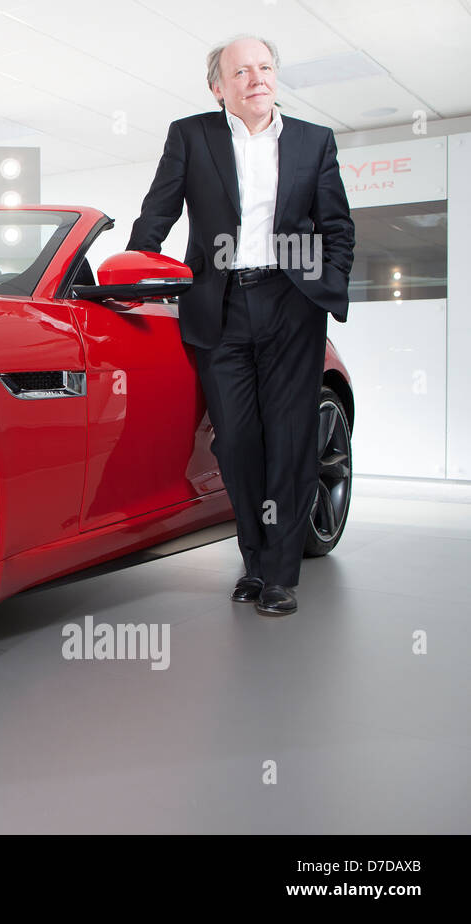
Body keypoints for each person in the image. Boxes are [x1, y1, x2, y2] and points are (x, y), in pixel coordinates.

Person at [126, 34, 354, 617]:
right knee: (237, 443)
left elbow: (338, 229)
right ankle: (255, 561)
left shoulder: (313, 141)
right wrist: (132, 274)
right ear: (218, 86)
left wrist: (324, 285)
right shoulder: (191, 135)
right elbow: (159, 211)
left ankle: (278, 575)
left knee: (291, 439)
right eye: (242, 70)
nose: (257, 78)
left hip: (290, 302)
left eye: (266, 67)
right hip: (219, 306)